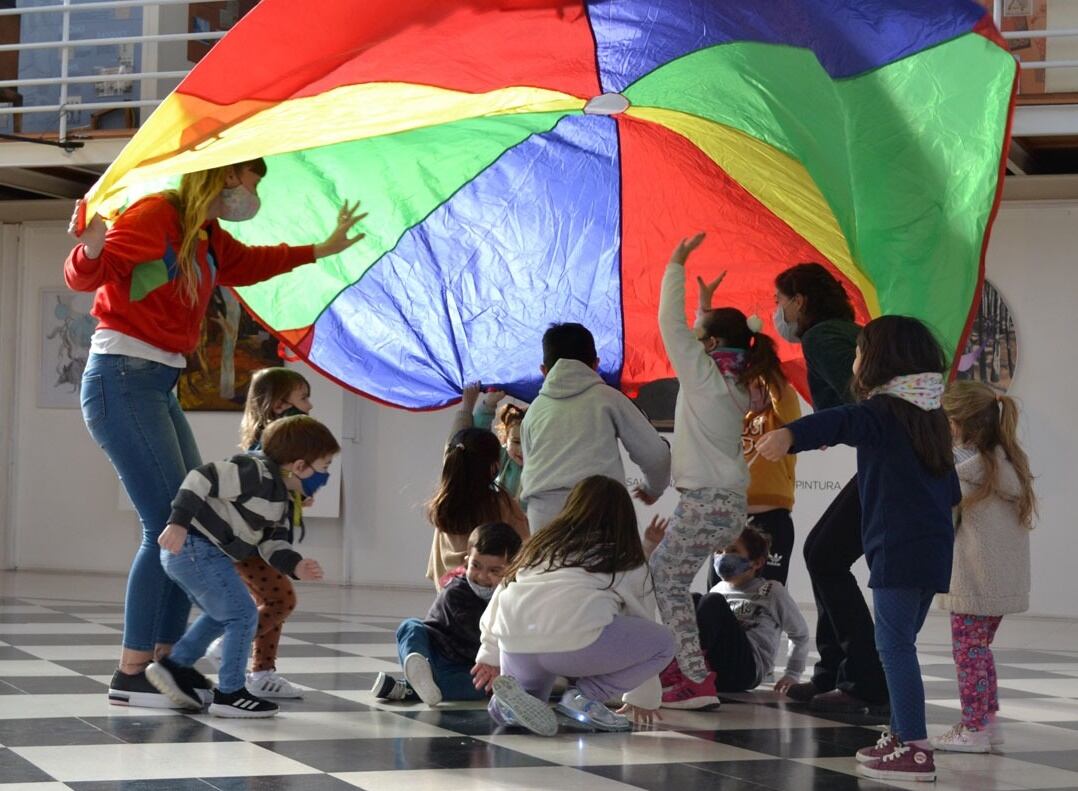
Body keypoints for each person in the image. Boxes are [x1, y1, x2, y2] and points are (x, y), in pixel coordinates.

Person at [64, 159, 364, 708]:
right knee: (166, 526)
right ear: (228, 175)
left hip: (156, 382)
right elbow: (89, 274)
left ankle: (166, 663)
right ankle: (133, 671)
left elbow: (250, 264)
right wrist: (88, 248)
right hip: (122, 378)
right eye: (254, 179)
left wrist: (319, 250)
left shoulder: (204, 234)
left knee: (191, 523)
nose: (255, 192)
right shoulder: (157, 215)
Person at [757, 315, 960, 782]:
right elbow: (951, 492)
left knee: (894, 646)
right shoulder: (930, 415)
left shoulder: (885, 411)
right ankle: (901, 731)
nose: (853, 359)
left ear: (880, 360)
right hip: (931, 549)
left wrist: (790, 435)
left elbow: (841, 420)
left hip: (899, 550)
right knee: (899, 643)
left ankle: (914, 747)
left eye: (859, 350)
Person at [648, 233, 783, 709]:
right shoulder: (738, 379)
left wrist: (675, 263)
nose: (695, 340)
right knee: (668, 579)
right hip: (726, 504)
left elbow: (669, 323)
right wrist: (706, 305)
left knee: (663, 580)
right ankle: (687, 666)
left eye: (702, 333)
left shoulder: (706, 375)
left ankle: (693, 677)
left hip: (706, 499)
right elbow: (709, 335)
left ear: (711, 343)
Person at [146, 415, 339, 718]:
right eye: (324, 467)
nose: (326, 476)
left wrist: (296, 565)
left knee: (221, 614)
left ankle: (174, 666)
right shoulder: (255, 471)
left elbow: (272, 545)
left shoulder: (281, 501)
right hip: (195, 547)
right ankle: (231, 693)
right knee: (243, 614)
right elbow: (201, 477)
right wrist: (178, 522)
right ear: (300, 466)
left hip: (201, 555)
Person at [473, 476, 676, 736]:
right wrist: (642, 697)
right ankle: (585, 698)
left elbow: (503, 594)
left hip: (516, 644)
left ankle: (505, 707)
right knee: (664, 643)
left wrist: (489, 652)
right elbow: (643, 620)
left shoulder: (539, 547)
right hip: (572, 647)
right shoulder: (623, 557)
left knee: (529, 699)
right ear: (624, 518)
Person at [773, 262, 889, 714]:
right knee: (823, 552)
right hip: (880, 461)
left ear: (800, 301)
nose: (778, 311)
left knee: (823, 553)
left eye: (781, 301)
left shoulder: (823, 337)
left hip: (885, 464)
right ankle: (836, 673)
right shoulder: (843, 331)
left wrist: (798, 433)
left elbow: (863, 404)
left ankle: (862, 680)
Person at [202, 366, 323, 700]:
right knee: (282, 600)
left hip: (263, 539)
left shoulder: (276, 446)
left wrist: (296, 494)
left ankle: (262, 672)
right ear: (281, 405)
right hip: (251, 543)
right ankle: (229, 647)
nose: (310, 406)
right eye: (304, 397)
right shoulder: (272, 446)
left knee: (268, 600)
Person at [929, 381, 1036, 753]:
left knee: (968, 651)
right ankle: (987, 722)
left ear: (958, 423)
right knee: (979, 649)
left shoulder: (965, 471)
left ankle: (974, 727)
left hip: (975, 579)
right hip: (1000, 580)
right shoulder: (1008, 463)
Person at [698, 268, 800, 587]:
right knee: (717, 602)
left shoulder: (779, 401)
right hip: (727, 517)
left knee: (763, 606)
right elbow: (697, 358)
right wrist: (704, 307)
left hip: (770, 520)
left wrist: (763, 372)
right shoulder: (728, 404)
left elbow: (787, 407)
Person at [519, 323, 670, 534]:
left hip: (544, 514)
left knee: (551, 568)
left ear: (543, 371)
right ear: (595, 364)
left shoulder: (534, 412)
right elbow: (656, 453)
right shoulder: (608, 398)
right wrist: (653, 488)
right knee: (607, 568)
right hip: (599, 508)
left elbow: (528, 465)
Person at [373, 522, 524, 705]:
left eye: (494, 571)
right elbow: (480, 637)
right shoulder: (456, 591)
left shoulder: (514, 595)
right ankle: (418, 667)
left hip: (466, 669)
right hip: (434, 654)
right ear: (466, 561)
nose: (482, 576)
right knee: (410, 627)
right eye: (476, 566)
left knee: (483, 686)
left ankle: (414, 688)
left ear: (513, 570)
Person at [681, 527, 810, 694]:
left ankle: (688, 669)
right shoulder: (717, 589)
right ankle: (684, 670)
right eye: (719, 551)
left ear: (757, 562)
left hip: (745, 670)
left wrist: (792, 674)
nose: (723, 557)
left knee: (711, 601)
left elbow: (799, 634)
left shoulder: (771, 590)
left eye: (733, 550)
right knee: (694, 599)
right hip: (715, 668)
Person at [427, 395, 528, 588]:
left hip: (447, 589)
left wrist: (469, 405)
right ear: (492, 466)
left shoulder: (444, 501)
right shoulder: (499, 503)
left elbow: (456, 445)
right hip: (484, 594)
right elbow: (527, 547)